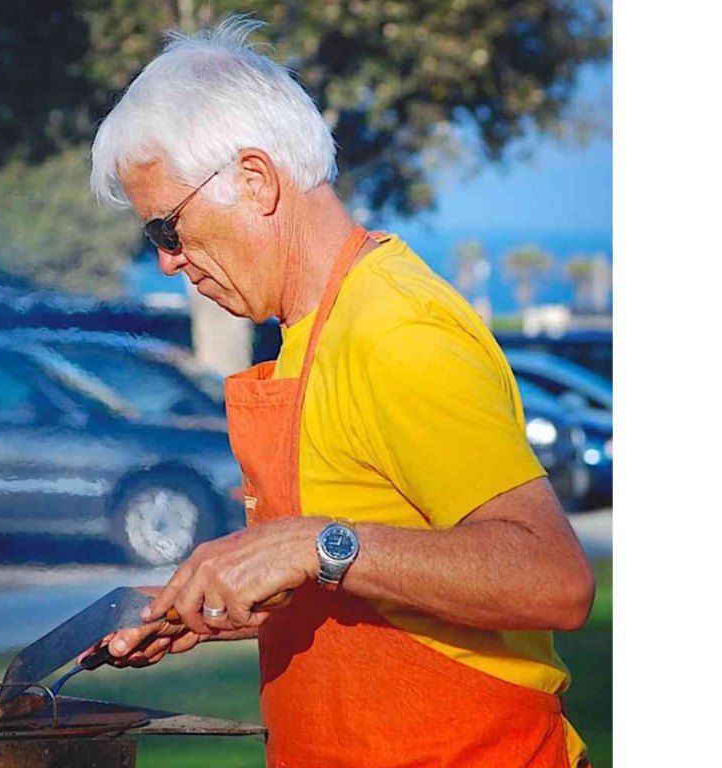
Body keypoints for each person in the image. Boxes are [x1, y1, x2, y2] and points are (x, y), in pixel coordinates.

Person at [85, 17, 595, 768]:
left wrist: (310, 544)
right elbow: (377, 577)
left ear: (255, 180)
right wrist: (229, 598)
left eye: (168, 228)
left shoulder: (395, 328)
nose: (167, 262)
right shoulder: (312, 328)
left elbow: (552, 577)